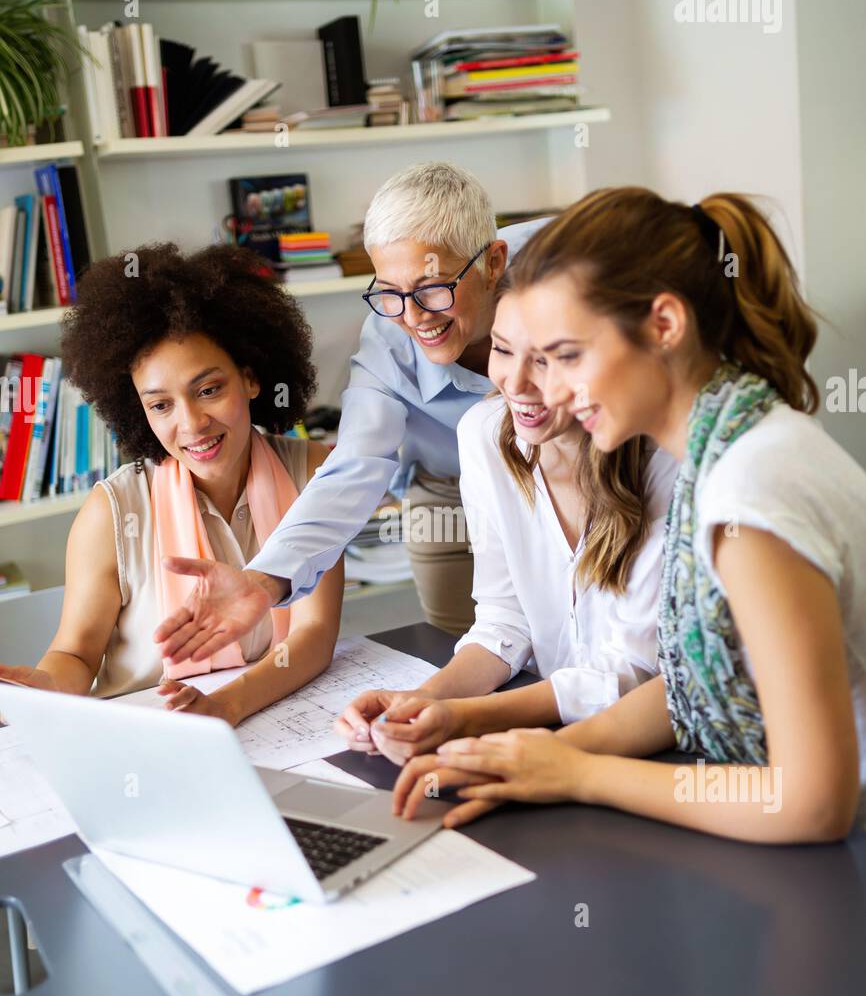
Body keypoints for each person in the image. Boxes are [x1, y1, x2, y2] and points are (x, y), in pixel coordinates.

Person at [393, 188, 866, 845]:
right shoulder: (734, 442)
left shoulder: (748, 497)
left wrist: (579, 775)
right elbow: (681, 684)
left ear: (664, 326)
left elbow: (813, 805)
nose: (549, 391)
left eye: (568, 355)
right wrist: (540, 755)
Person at [151, 163, 548, 658]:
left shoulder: (566, 262)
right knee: (466, 647)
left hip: (570, 473)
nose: (414, 316)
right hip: (447, 488)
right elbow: (354, 466)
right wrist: (265, 580)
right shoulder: (387, 342)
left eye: (432, 287)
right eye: (390, 292)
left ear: (493, 262)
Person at [335, 277, 678, 763]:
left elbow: (638, 672)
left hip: (650, 750)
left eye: (545, 359)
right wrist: (426, 699)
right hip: (551, 737)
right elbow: (504, 618)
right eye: (501, 348)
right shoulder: (484, 434)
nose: (514, 384)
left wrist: (466, 719)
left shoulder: (666, 461)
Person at [0, 244, 343, 726]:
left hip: (274, 719)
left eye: (208, 390)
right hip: (151, 736)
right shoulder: (112, 513)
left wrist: (225, 707)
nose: (192, 424)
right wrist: (49, 688)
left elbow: (314, 634)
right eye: (161, 405)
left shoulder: (313, 474)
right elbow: (77, 656)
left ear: (250, 377)